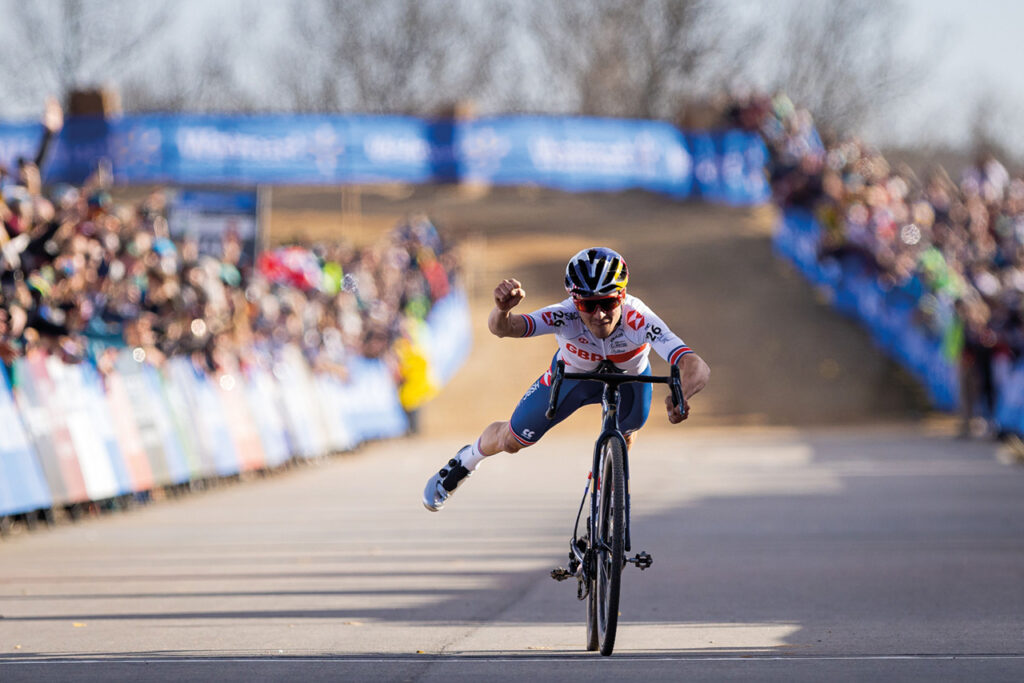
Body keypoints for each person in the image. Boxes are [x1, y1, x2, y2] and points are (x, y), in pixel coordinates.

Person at [423, 247, 710, 511]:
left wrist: (681, 395)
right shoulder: (564, 315)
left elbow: (696, 366)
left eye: (608, 302)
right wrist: (502, 310)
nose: (599, 314)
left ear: (622, 296)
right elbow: (504, 329)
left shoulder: (640, 318)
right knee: (511, 441)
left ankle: (605, 501)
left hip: (630, 382)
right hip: (574, 378)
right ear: (575, 302)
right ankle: (467, 460)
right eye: (588, 305)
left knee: (627, 430)